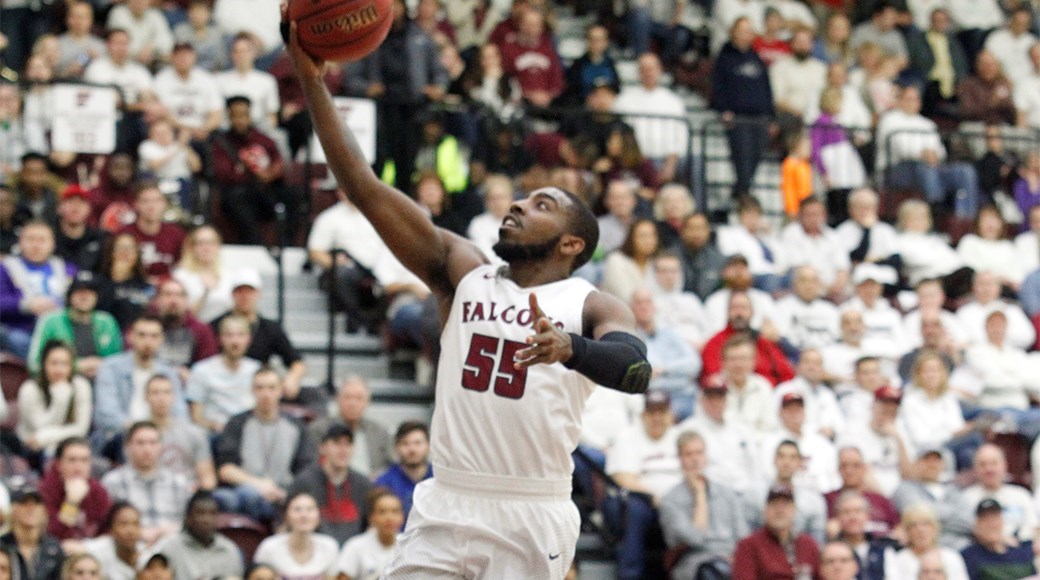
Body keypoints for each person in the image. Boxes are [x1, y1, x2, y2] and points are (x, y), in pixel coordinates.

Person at [286, 12, 651, 578]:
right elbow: (362, 183)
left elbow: (636, 371)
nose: (518, 206)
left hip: (532, 507)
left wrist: (569, 349)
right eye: (522, 199)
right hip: (447, 499)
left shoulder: (591, 303)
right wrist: (311, 76)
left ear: (571, 242)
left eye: (541, 206)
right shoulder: (460, 270)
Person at [215, 368, 315, 524]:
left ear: (281, 390)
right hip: (246, 491)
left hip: (284, 495)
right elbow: (226, 469)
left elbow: (305, 471)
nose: (265, 394)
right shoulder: (237, 423)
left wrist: (283, 492)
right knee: (231, 497)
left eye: (271, 388)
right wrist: (258, 485)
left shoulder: (297, 427)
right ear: (252, 390)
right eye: (260, 388)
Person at [605, 390, 681, 580]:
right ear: (642, 415)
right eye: (651, 413)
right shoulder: (628, 436)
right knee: (635, 510)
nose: (657, 418)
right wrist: (656, 497)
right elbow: (623, 478)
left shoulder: (681, 436)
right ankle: (630, 574)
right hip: (637, 500)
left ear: (670, 415)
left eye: (661, 412)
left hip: (676, 501)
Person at [658, 431, 747, 580]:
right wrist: (700, 495)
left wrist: (737, 559)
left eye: (699, 453)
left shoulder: (727, 494)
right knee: (713, 572)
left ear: (706, 456)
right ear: (680, 459)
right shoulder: (670, 501)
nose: (695, 459)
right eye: (688, 454)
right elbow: (695, 538)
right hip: (694, 562)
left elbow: (744, 538)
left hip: (731, 558)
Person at [92, 315, 187, 454]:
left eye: (154, 336)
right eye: (142, 335)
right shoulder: (111, 367)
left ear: (161, 340)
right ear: (130, 337)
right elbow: (106, 414)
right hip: (121, 436)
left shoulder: (169, 373)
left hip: (162, 437)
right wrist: (141, 431)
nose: (148, 341)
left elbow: (180, 413)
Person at [211, 96, 295, 245]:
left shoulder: (263, 139)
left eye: (244, 115)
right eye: (236, 116)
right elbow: (224, 173)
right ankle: (255, 246)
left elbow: (278, 162)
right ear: (229, 117)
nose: (240, 121)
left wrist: (269, 174)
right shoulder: (222, 143)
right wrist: (253, 172)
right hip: (240, 194)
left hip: (266, 191)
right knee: (237, 198)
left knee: (293, 196)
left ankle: (288, 244)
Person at [211, 270, 306, 399]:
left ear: (258, 294)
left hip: (259, 389)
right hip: (222, 387)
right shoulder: (214, 326)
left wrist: (292, 379)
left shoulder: (270, 328)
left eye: (249, 291)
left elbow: (296, 360)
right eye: (240, 291)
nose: (245, 296)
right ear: (232, 294)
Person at [712, 17, 775, 199]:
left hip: (759, 118)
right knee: (742, 159)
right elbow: (718, 86)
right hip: (738, 117)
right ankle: (743, 196)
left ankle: (741, 193)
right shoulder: (724, 57)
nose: (745, 34)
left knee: (756, 158)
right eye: (741, 30)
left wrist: (770, 115)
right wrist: (723, 110)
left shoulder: (756, 57)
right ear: (733, 32)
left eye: (748, 30)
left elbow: (766, 88)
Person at [101, 421, 192, 546]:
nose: (147, 449)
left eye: (153, 443)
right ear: (127, 447)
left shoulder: (178, 482)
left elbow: (188, 522)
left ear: (161, 447)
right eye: (140, 443)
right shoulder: (112, 482)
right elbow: (107, 526)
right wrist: (139, 533)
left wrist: (166, 532)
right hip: (130, 546)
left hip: (172, 545)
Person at [0, 221, 76, 359]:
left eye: (42, 240)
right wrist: (26, 305)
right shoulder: (5, 268)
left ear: (52, 243)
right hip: (21, 330)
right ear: (20, 242)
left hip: (62, 331)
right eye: (30, 239)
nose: (36, 245)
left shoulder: (67, 269)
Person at [27, 271, 122, 378]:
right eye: (79, 291)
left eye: (90, 292)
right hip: (62, 382)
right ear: (69, 296)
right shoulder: (51, 320)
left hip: (102, 381)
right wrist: (76, 366)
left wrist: (102, 366)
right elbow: (34, 364)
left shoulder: (107, 321)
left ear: (97, 297)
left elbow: (118, 362)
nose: (84, 296)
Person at [288, 424, 372, 545]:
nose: (343, 450)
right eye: (337, 443)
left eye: (348, 444)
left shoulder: (363, 484)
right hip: (314, 550)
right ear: (322, 448)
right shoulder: (304, 482)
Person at [631, 289, 700, 420]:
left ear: (654, 306)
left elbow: (693, 364)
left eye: (647, 302)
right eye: (639, 303)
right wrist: (681, 377)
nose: (644, 307)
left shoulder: (671, 333)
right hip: (649, 398)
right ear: (631, 308)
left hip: (682, 395)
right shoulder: (630, 339)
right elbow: (643, 382)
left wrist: (663, 370)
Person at [16, 341, 93, 458]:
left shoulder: (81, 386)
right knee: (49, 453)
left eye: (65, 364)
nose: (59, 370)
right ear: (43, 364)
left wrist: (45, 437)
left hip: (67, 445)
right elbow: (41, 427)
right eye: (54, 363)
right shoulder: (29, 389)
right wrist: (60, 400)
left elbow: (81, 429)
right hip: (33, 451)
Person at [186, 315, 262, 433]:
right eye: (229, 335)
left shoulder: (257, 370)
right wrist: (214, 426)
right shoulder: (202, 370)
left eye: (240, 335)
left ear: (249, 339)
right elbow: (196, 416)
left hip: (250, 432)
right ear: (220, 339)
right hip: (215, 434)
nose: (235, 341)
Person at [308, 377, 394, 478]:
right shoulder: (320, 429)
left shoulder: (379, 432)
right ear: (337, 399)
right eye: (347, 397)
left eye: (359, 398)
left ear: (368, 402)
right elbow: (311, 466)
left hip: (373, 488)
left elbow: (391, 467)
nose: (352, 404)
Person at [733, 484, 820, 579]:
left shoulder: (809, 545)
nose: (779, 510)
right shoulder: (748, 546)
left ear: (794, 510)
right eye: (774, 504)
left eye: (785, 505)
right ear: (765, 510)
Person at [891, 448, 974, 548]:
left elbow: (969, 522)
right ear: (916, 463)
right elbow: (916, 514)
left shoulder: (954, 491)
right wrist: (953, 513)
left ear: (942, 464)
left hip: (960, 549)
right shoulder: (905, 489)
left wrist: (931, 516)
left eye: (936, 460)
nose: (932, 464)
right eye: (926, 459)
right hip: (923, 549)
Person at [145, 374, 216, 490]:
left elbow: (208, 478)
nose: (161, 398)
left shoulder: (194, 433)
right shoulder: (137, 435)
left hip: (189, 492)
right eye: (155, 393)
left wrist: (198, 492)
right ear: (146, 397)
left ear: (174, 396)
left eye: (166, 392)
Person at [959, 444, 1037, 543]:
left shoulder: (1021, 495)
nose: (989, 469)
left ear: (1005, 465)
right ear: (974, 469)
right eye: (983, 464)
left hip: (1023, 549)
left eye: (994, 463)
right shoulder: (966, 499)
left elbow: (1034, 527)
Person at [158, 491, 244, 580]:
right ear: (188, 518)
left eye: (212, 513)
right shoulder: (170, 548)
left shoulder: (230, 550)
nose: (206, 520)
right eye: (200, 513)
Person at [38, 437, 112, 541]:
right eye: (72, 460)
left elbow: (108, 530)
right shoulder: (46, 491)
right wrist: (71, 502)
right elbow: (52, 536)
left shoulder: (98, 491)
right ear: (59, 464)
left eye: (84, 460)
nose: (78, 467)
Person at [253, 492, 339, 578]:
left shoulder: (329, 546)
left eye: (310, 509)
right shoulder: (269, 547)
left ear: (318, 515)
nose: (304, 515)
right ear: (286, 516)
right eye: (297, 509)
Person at [116, 183, 186, 281]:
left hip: (167, 288)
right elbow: (118, 271)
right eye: (145, 201)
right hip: (133, 287)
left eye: (157, 200)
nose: (151, 206)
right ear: (136, 204)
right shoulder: (124, 234)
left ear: (165, 203)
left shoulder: (176, 234)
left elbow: (183, 267)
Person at [152, 278, 219, 374]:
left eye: (179, 295)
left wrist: (192, 377)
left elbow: (209, 366)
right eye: (167, 294)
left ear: (186, 300)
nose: (173, 300)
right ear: (157, 300)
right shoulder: (145, 326)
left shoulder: (201, 330)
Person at [335, 488, 405, 580]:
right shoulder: (355, 546)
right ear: (371, 517)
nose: (389, 518)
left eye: (395, 511)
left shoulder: (409, 546)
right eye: (382, 512)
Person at [960, 498, 1037, 579]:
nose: (991, 524)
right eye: (985, 519)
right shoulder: (968, 556)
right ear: (976, 525)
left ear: (1002, 521)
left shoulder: (1021, 554)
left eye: (995, 518)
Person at [0, 484, 65, 579]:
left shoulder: (53, 549)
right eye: (24, 503)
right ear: (13, 508)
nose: (31, 508)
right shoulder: (2, 545)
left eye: (37, 503)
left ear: (43, 510)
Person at [172, 225, 234, 324]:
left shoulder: (229, 275)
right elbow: (181, 316)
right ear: (191, 247)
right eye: (200, 243)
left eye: (211, 243)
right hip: (196, 330)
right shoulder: (180, 276)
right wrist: (206, 293)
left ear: (218, 246)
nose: (206, 248)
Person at [373, 421, 433, 521]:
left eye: (417, 443)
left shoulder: (439, 480)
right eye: (405, 443)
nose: (412, 449)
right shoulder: (383, 483)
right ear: (396, 447)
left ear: (428, 446)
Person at [94, 233, 155, 330]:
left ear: (137, 254)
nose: (125, 252)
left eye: (130, 248)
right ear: (111, 252)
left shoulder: (146, 286)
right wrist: (116, 280)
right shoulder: (98, 283)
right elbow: (100, 313)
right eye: (121, 247)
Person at [895, 503, 971, 580]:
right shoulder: (899, 560)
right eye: (913, 525)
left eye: (926, 524)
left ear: (935, 528)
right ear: (907, 531)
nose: (920, 530)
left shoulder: (951, 557)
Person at [78, 502, 148, 580]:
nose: (130, 531)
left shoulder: (147, 553)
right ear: (111, 529)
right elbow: (73, 548)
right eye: (124, 524)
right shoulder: (99, 549)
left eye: (136, 524)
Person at [54, 185, 106, 273]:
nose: (75, 208)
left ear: (89, 209)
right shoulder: (50, 238)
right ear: (59, 207)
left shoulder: (100, 238)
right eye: (70, 202)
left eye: (81, 202)